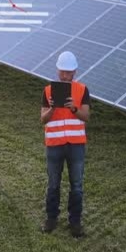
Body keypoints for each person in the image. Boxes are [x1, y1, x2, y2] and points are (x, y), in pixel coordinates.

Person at [40, 50, 91, 238]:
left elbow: (86, 116)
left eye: (68, 72)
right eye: (62, 71)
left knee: (76, 185)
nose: (65, 75)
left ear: (75, 72)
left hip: (76, 145)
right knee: (53, 184)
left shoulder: (82, 90)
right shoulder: (47, 91)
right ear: (57, 70)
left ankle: (75, 222)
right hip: (54, 144)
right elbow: (43, 119)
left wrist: (74, 108)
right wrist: (52, 108)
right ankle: (51, 218)